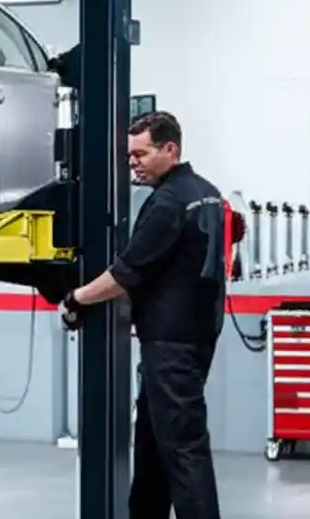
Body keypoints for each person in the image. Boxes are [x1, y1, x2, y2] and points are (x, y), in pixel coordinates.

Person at [60, 110, 224, 519]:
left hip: (171, 345)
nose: (132, 163)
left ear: (170, 149)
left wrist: (77, 299)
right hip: (196, 334)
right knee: (153, 442)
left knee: (184, 449)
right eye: (130, 155)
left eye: (141, 154)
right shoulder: (206, 193)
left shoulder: (167, 203)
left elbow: (127, 271)